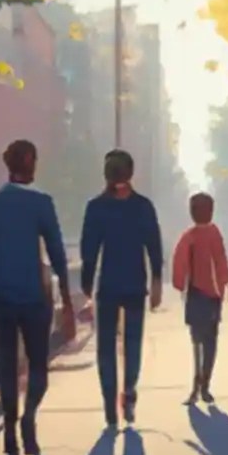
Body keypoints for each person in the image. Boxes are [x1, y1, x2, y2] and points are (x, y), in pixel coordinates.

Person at [0, 140, 75, 455]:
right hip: (34, 298)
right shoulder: (42, 203)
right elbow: (57, 251)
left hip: (2, 298)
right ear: (31, 163)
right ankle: (29, 418)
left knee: (5, 366)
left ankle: (10, 431)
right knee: (38, 365)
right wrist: (67, 298)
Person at [80, 149, 164, 429]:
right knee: (132, 343)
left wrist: (86, 283)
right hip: (134, 283)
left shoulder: (97, 207)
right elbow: (154, 245)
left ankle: (110, 406)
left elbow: (89, 250)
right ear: (130, 173)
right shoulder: (143, 206)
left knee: (106, 347)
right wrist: (155, 280)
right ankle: (127, 393)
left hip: (109, 284)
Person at [171, 193, 228, 405]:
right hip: (213, 295)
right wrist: (225, 282)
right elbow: (221, 258)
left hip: (196, 294)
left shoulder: (189, 236)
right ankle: (205, 384)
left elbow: (179, 261)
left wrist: (178, 283)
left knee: (196, 340)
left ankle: (197, 384)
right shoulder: (215, 233)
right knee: (211, 341)